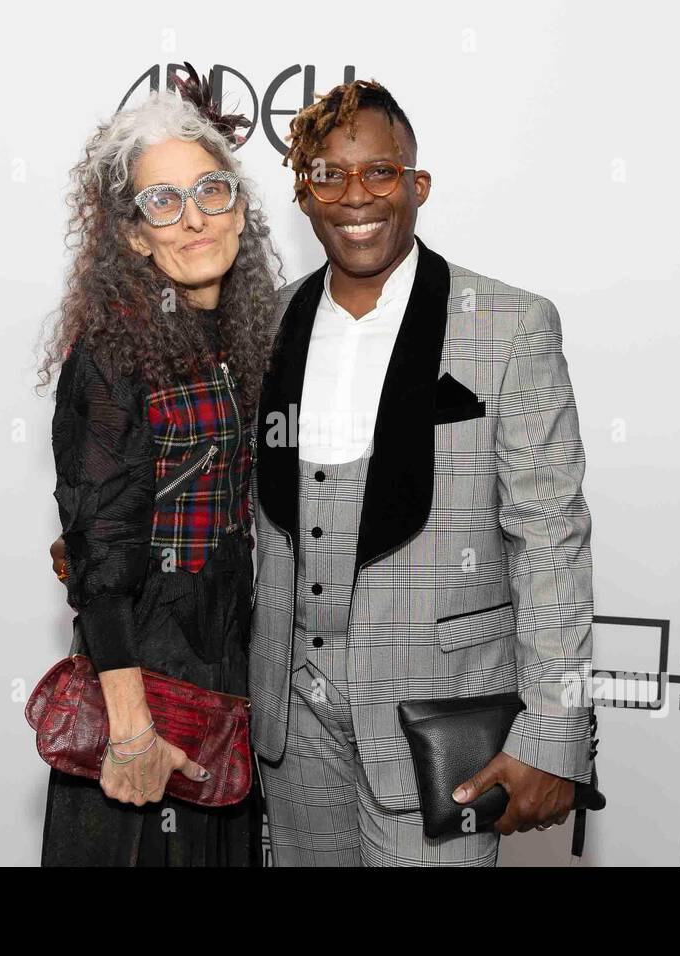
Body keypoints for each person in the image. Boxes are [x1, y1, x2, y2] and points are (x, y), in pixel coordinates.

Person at [249, 79, 597, 865]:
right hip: (290, 729)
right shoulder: (265, 324)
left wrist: (553, 732)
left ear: (417, 185)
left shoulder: (511, 325)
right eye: (327, 176)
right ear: (303, 193)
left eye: (379, 172)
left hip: (440, 721)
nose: (355, 197)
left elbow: (552, 542)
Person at [38, 72, 278, 866]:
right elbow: (102, 567)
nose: (195, 219)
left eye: (211, 192)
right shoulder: (111, 353)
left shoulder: (246, 335)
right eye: (163, 203)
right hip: (142, 670)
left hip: (228, 653)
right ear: (134, 236)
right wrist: (131, 729)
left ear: (242, 206)